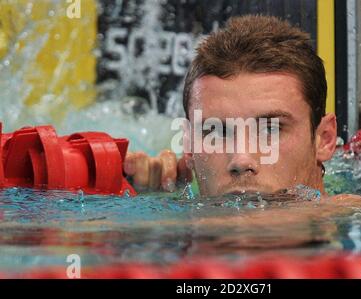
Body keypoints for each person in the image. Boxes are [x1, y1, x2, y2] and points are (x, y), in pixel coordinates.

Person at [123, 15, 340, 198]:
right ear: (188, 147)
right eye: (216, 132)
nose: (241, 160)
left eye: (270, 129)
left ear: (325, 139)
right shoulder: (162, 227)